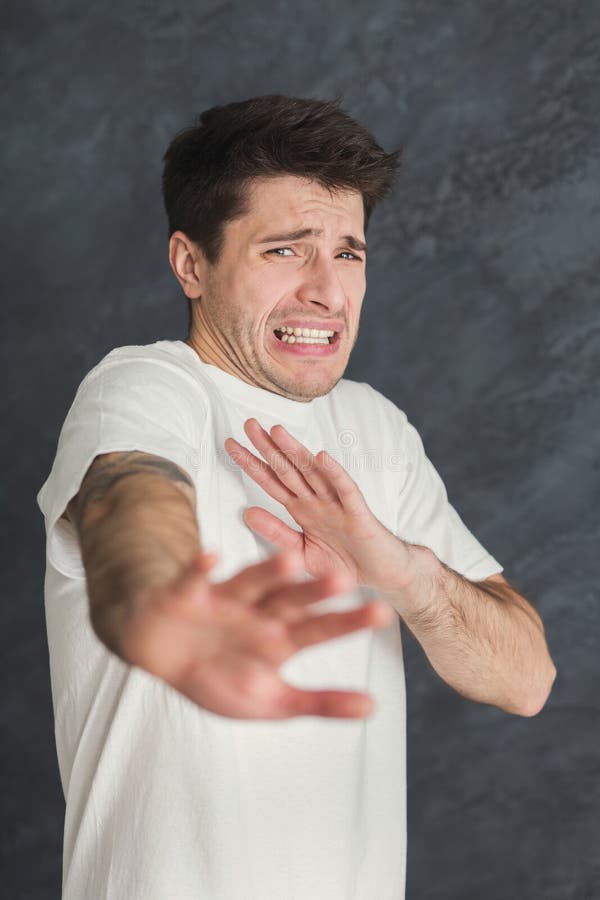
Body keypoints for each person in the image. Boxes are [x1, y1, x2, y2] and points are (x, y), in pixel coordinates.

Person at [37, 94, 557, 900]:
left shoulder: (375, 427)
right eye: (286, 250)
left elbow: (526, 681)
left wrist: (408, 576)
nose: (328, 290)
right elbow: (127, 499)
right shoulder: (144, 385)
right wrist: (173, 615)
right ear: (191, 264)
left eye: (349, 254)